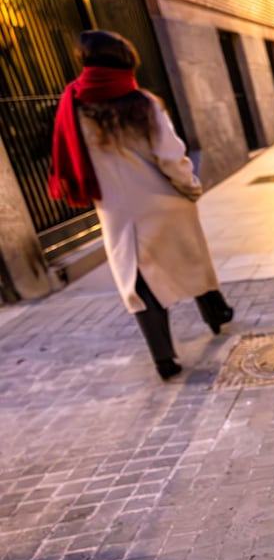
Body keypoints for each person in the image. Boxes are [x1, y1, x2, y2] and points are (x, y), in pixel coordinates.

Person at [47, 30, 232, 381]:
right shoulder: (142, 101)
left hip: (118, 210)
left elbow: (71, 157)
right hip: (165, 200)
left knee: (139, 282)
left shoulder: (73, 106)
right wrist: (190, 185)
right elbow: (170, 154)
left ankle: (165, 359)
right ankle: (216, 314)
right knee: (190, 258)